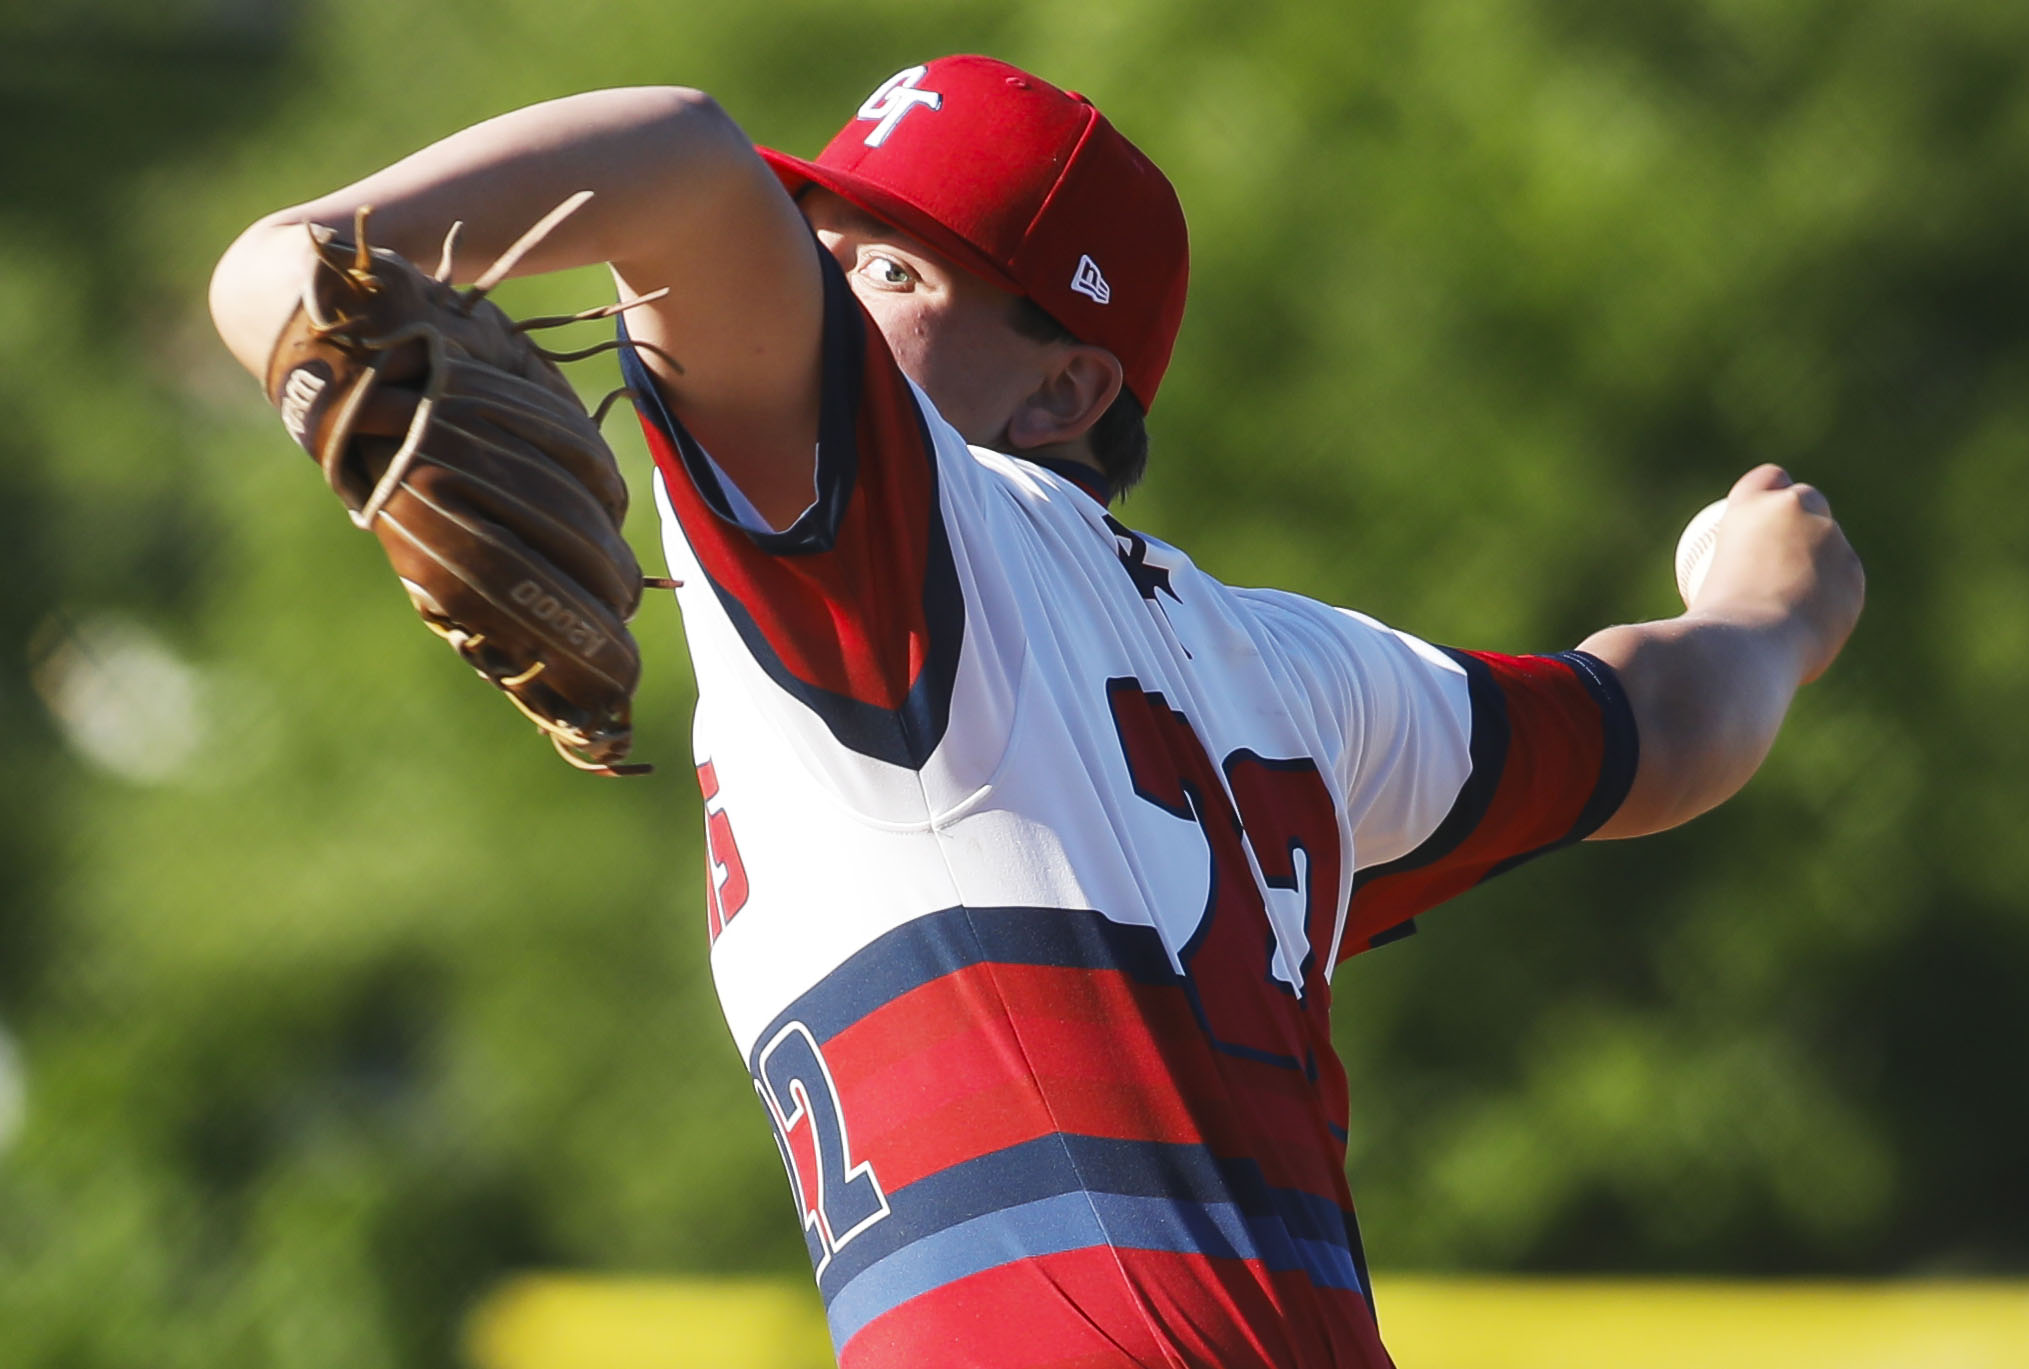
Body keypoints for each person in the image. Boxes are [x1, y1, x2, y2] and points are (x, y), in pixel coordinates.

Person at [209, 54, 1863, 1369]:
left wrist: (286, 275)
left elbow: (688, 165)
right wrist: (1767, 605)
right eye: (823, 247)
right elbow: (1659, 728)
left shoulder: (885, 551)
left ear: (1066, 384)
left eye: (883, 264)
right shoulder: (1306, 670)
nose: (817, 285)